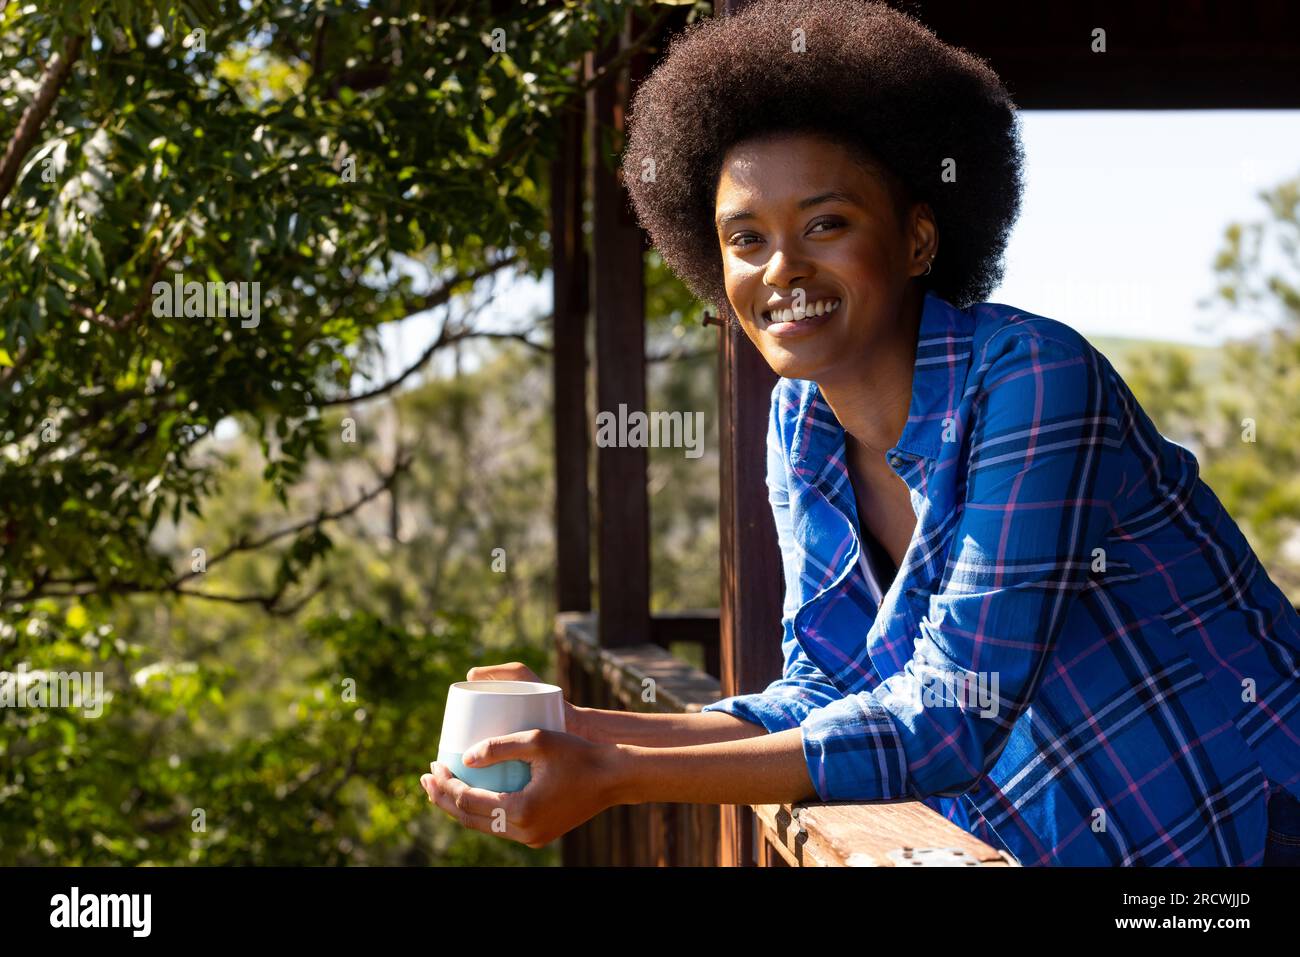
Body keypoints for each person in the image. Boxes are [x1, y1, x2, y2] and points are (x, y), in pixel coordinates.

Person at [421, 0, 1300, 865]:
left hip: (1258, 827)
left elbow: (952, 714)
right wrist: (570, 726)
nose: (783, 268)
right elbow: (824, 690)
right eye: (745, 237)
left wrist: (619, 775)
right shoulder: (801, 425)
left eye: (826, 223)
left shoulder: (1032, 378)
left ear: (919, 239)